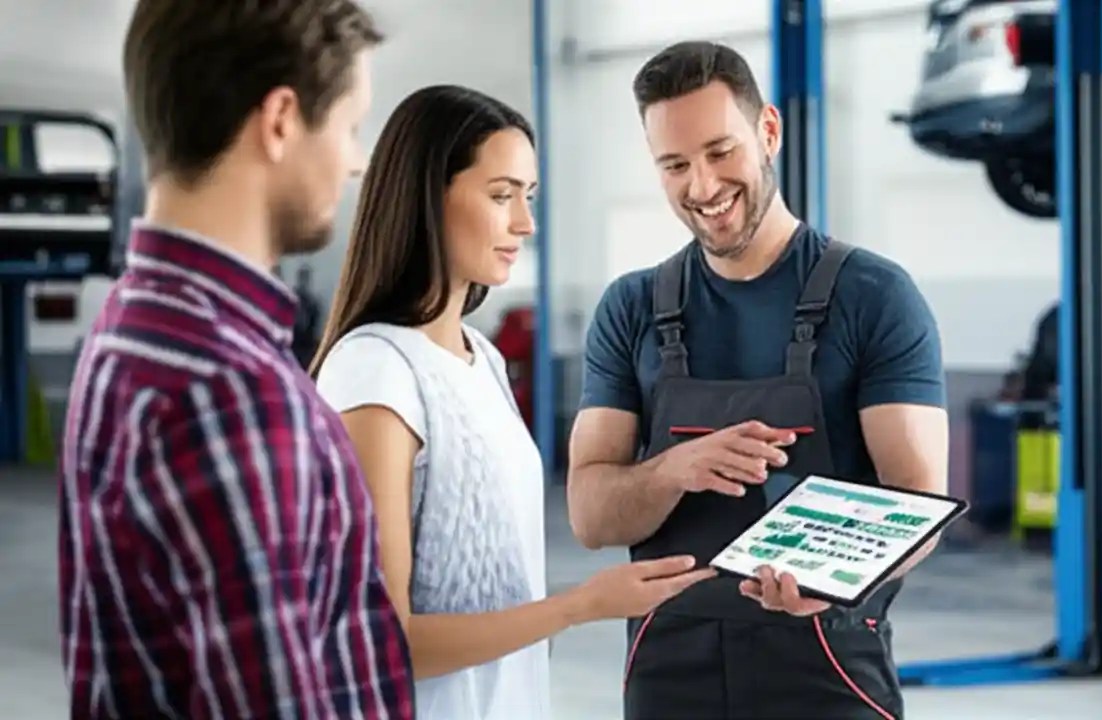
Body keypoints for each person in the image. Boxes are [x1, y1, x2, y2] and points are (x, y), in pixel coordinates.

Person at [566, 41, 950, 719]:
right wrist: (673, 470)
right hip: (668, 672)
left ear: (767, 131)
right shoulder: (631, 310)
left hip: (830, 669)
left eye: (721, 152)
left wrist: (836, 584)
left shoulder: (876, 297)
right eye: (675, 165)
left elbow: (918, 507)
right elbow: (591, 516)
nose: (703, 187)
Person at [309, 85, 715, 720]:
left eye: (528, 197)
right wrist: (581, 606)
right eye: (501, 196)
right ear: (426, 198)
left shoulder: (481, 358)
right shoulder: (374, 371)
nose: (524, 223)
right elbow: (378, 641)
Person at [57, 2, 415, 717]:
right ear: (281, 119)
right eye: (348, 126)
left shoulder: (131, 324)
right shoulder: (231, 392)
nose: (354, 160)